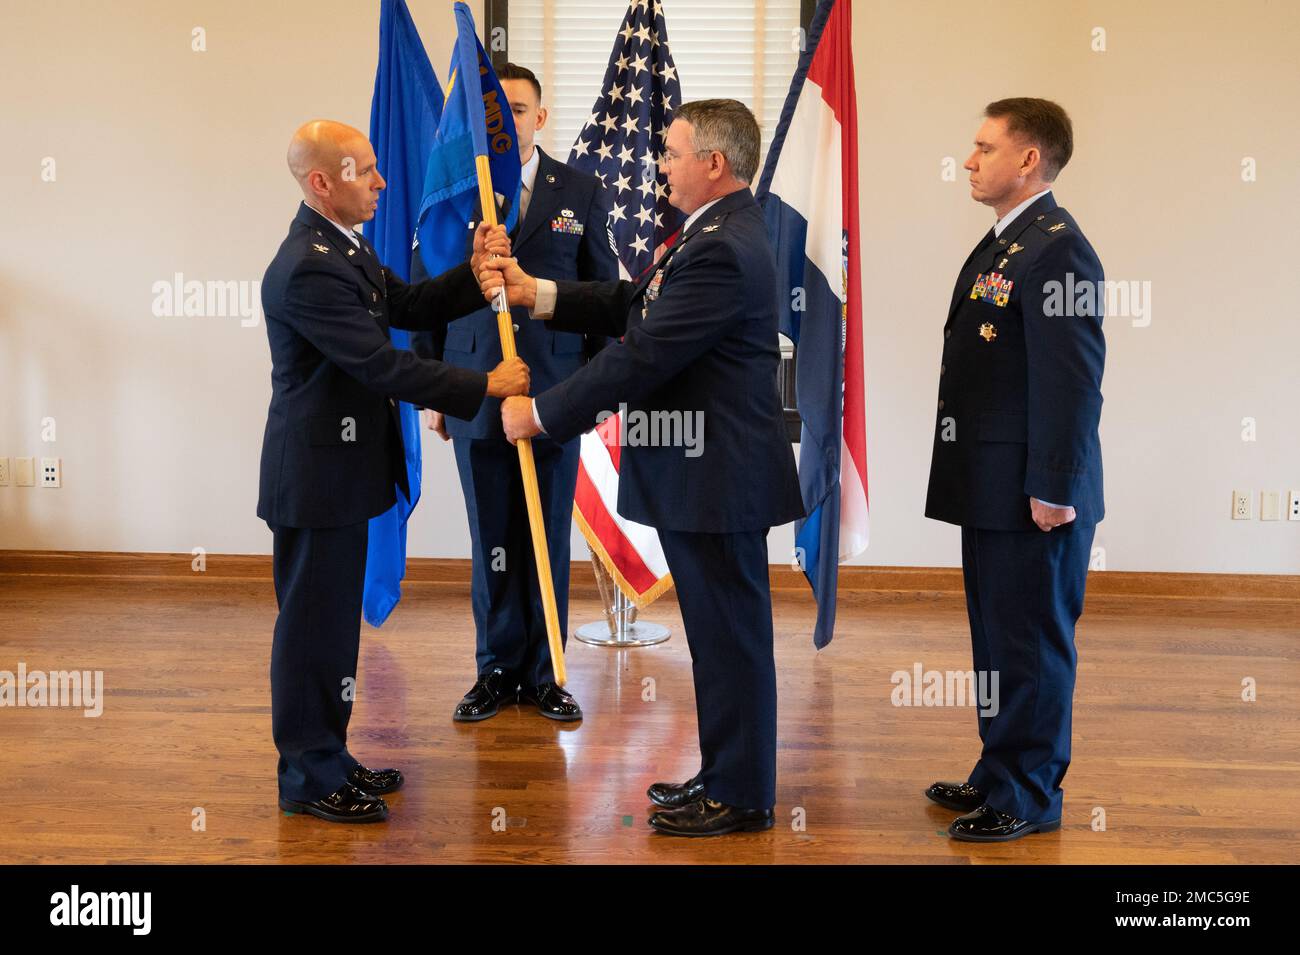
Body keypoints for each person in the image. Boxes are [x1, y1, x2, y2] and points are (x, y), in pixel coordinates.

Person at [481, 99, 804, 837]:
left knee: (731, 639)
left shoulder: (723, 246)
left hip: (717, 475)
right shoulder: (713, 233)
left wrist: (544, 413)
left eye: (673, 152)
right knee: (720, 637)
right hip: (708, 471)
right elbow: (637, 304)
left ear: (713, 164)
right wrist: (541, 293)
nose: (661, 164)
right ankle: (725, 774)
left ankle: (743, 793)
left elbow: (645, 352)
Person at [259, 119, 527, 823]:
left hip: (342, 472)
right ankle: (308, 778)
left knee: (333, 629)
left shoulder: (343, 246)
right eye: (363, 172)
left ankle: (329, 755)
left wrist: (472, 277)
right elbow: (382, 365)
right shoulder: (309, 264)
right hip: (316, 479)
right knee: (312, 632)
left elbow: (403, 306)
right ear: (322, 183)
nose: (381, 182)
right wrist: (483, 386)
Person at [410, 64, 618, 724]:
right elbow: (425, 299)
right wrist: (435, 392)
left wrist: (591, 392)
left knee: (546, 533)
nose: (508, 123)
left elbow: (603, 298)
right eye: (495, 115)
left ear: (539, 117)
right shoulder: (455, 195)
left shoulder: (579, 190)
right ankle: (496, 669)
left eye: (519, 110)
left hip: (553, 394)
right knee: (492, 535)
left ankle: (547, 670)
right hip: (475, 388)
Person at [922, 98, 1106, 842]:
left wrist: (1055, 486)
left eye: (983, 146)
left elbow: (1073, 381)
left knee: (1031, 643)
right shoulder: (1009, 241)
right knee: (998, 638)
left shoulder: (1058, 248)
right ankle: (999, 767)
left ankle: (1029, 794)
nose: (969, 159)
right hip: (993, 487)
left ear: (1028, 158)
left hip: (1036, 493)